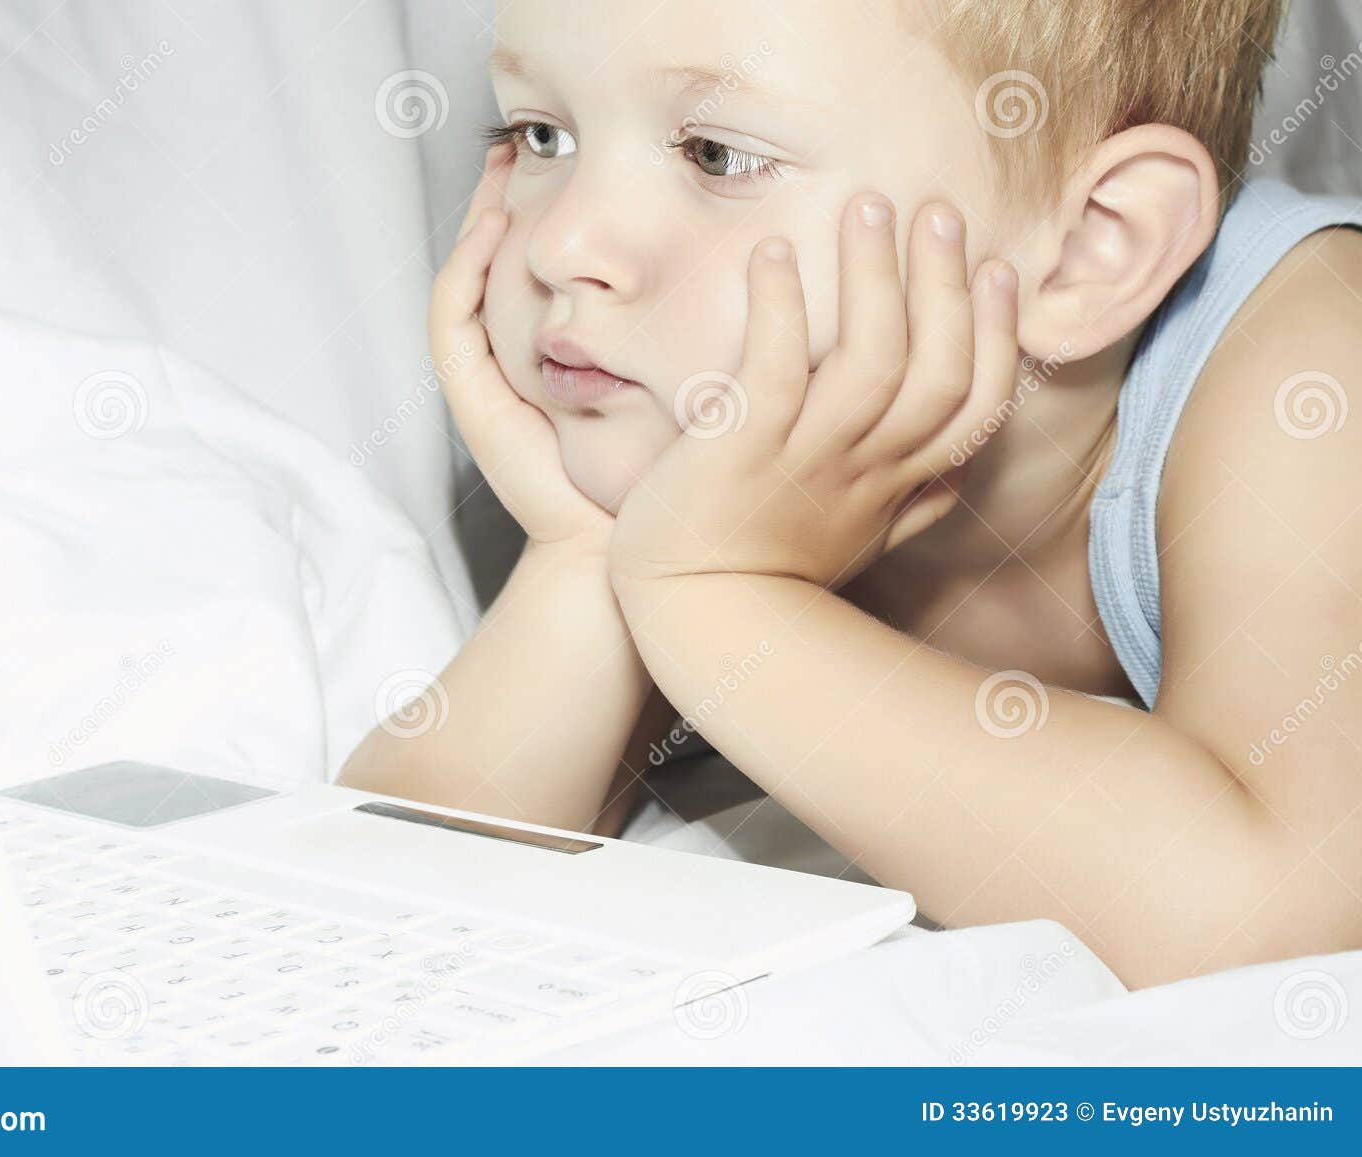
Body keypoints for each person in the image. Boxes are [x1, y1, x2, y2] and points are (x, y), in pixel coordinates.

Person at [344, 0, 1362, 987]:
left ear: (1093, 246)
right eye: (540, 135)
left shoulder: (1311, 365)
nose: (562, 246)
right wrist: (583, 553)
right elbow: (366, 906)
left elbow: (1272, 922)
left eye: (716, 157)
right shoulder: (706, 439)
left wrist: (714, 591)